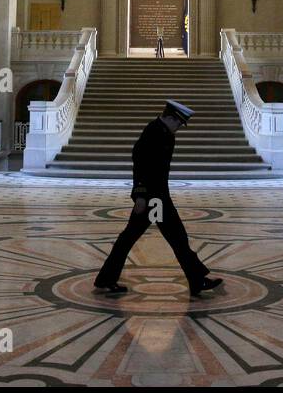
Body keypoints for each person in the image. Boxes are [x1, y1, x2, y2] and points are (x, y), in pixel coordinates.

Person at [94, 100, 223, 298]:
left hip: (157, 197)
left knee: (161, 237)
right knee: (172, 237)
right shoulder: (154, 132)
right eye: (178, 124)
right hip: (153, 199)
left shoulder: (163, 132)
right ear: (170, 118)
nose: (179, 128)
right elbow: (140, 161)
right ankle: (197, 280)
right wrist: (140, 194)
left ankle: (197, 279)